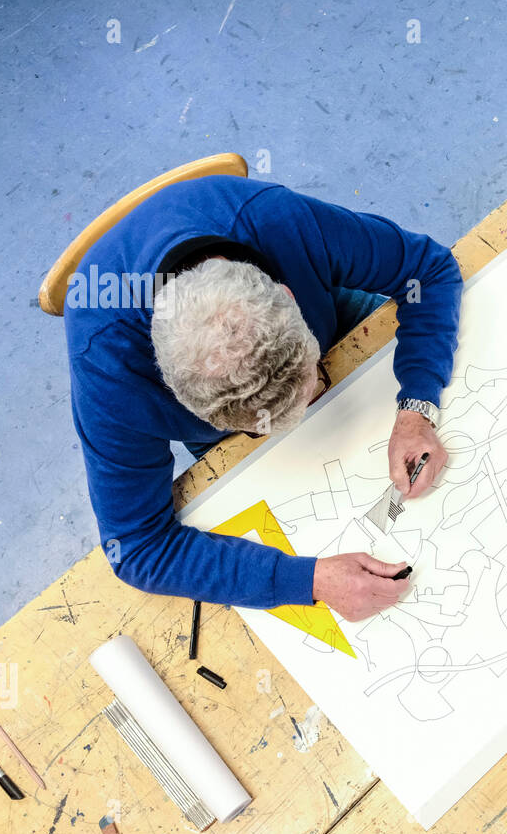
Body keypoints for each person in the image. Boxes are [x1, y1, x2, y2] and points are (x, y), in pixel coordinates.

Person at [64, 175, 460, 623]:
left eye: (311, 385)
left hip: (331, 314)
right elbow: (137, 548)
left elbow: (429, 270)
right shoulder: (109, 372)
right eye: (263, 427)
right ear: (174, 392)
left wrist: (416, 406)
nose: (313, 412)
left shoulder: (280, 222)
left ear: (287, 294)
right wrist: (306, 581)